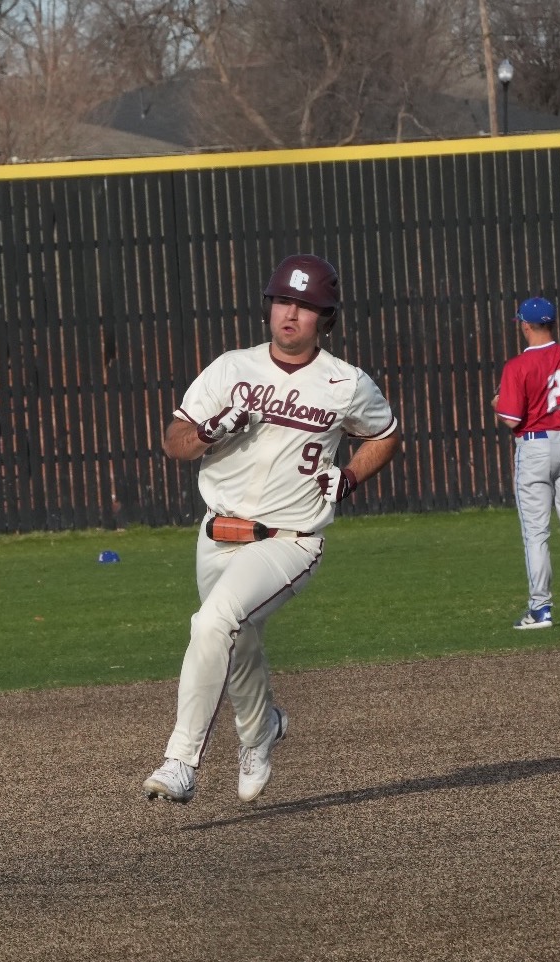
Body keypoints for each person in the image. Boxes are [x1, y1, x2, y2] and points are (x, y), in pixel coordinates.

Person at [142, 254, 401, 805]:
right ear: (269, 306)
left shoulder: (345, 382)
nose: (292, 314)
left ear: (325, 318)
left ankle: (180, 760)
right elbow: (175, 443)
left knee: (214, 622)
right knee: (237, 643)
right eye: (285, 300)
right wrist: (210, 431)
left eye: (307, 307)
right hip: (216, 536)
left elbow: (385, 433)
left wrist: (350, 476)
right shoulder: (231, 368)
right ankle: (261, 731)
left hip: (290, 540)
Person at [494, 296, 560, 630]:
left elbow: (512, 419)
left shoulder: (517, 366)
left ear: (525, 325)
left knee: (536, 534)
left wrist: (496, 403)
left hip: (535, 446)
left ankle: (540, 609)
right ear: (553, 323)